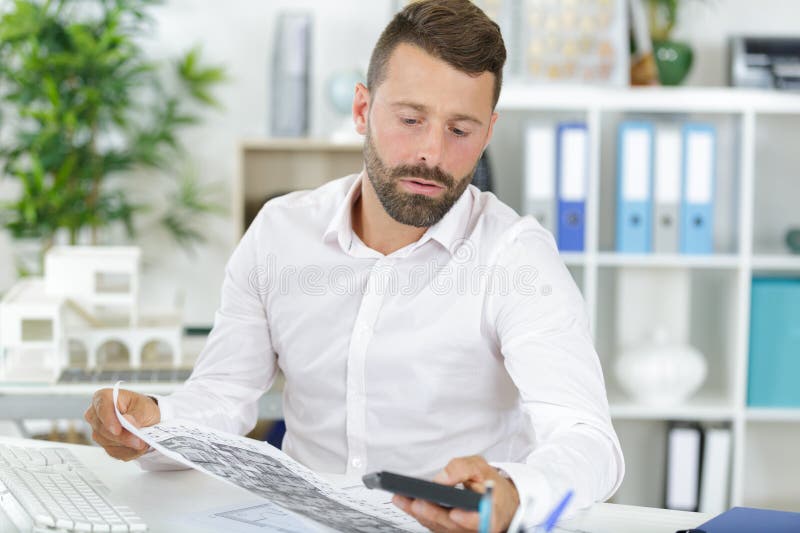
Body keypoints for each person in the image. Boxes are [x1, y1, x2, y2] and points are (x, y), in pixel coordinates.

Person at [84, 1, 624, 531]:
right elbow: (223, 397)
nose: (431, 153)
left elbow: (588, 440)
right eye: (410, 119)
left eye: (461, 131)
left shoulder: (516, 256)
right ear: (362, 110)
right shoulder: (279, 233)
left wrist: (512, 494)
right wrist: (154, 426)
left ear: (486, 134)